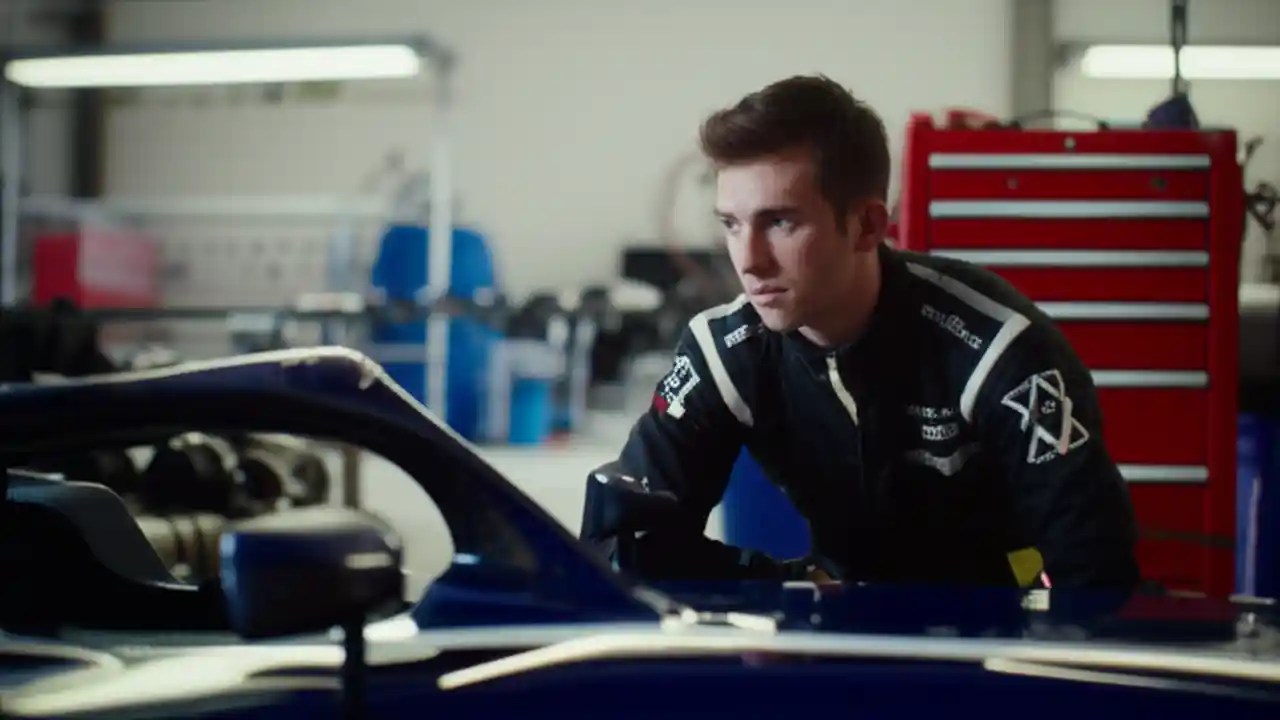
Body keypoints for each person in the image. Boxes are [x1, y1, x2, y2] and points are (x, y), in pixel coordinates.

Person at [579, 75, 1140, 589]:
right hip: (837, 631)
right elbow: (621, 549)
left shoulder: (997, 352)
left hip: (993, 645)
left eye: (780, 222)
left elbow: (1097, 575)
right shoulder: (725, 354)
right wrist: (788, 585)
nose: (748, 260)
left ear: (868, 224)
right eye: (731, 224)